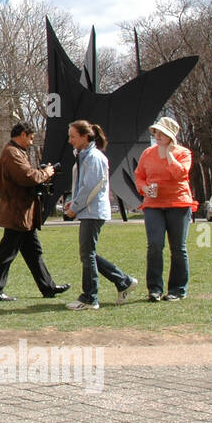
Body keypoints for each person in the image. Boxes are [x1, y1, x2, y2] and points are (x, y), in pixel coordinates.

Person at [0, 122, 70, 302]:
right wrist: (45, 173)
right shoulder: (12, 153)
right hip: (18, 212)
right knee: (7, 253)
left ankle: (48, 287)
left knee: (33, 252)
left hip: (23, 213)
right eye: (30, 138)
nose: (31, 142)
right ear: (23, 134)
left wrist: (42, 173)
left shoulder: (15, 152)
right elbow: (27, 177)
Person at [61, 120, 137, 310]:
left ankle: (90, 298)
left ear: (85, 137)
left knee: (87, 254)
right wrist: (74, 201)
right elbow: (85, 186)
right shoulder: (85, 156)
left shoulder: (93, 157)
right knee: (89, 254)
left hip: (92, 212)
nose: (70, 140)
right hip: (89, 210)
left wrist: (74, 207)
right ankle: (123, 281)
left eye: (73, 136)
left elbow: (91, 188)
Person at [135, 116, 197, 302]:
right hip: (153, 205)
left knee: (178, 248)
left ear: (171, 136)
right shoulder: (147, 153)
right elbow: (139, 176)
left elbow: (180, 174)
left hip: (178, 204)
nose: (158, 136)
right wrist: (145, 188)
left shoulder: (183, 153)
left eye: (162, 133)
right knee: (154, 245)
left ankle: (177, 289)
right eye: (156, 132)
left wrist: (169, 155)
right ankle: (154, 289)